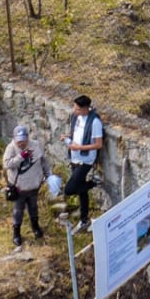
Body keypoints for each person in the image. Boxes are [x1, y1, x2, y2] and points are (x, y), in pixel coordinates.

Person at [2, 127, 47, 248]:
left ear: (27, 137)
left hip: (34, 186)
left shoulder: (36, 145)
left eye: (23, 140)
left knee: (33, 207)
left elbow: (43, 161)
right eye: (18, 140)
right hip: (19, 188)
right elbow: (6, 164)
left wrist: (49, 175)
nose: (21, 143)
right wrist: (21, 157)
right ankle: (16, 233)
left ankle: (35, 227)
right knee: (18, 211)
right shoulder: (11, 148)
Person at [64, 96, 103, 233]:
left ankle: (93, 182)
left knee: (69, 189)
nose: (74, 110)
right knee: (81, 190)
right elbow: (75, 133)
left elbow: (98, 144)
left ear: (86, 109)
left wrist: (79, 147)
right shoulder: (76, 117)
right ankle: (84, 220)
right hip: (75, 158)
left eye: (77, 109)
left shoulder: (95, 122)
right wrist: (67, 138)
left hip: (85, 160)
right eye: (74, 107)